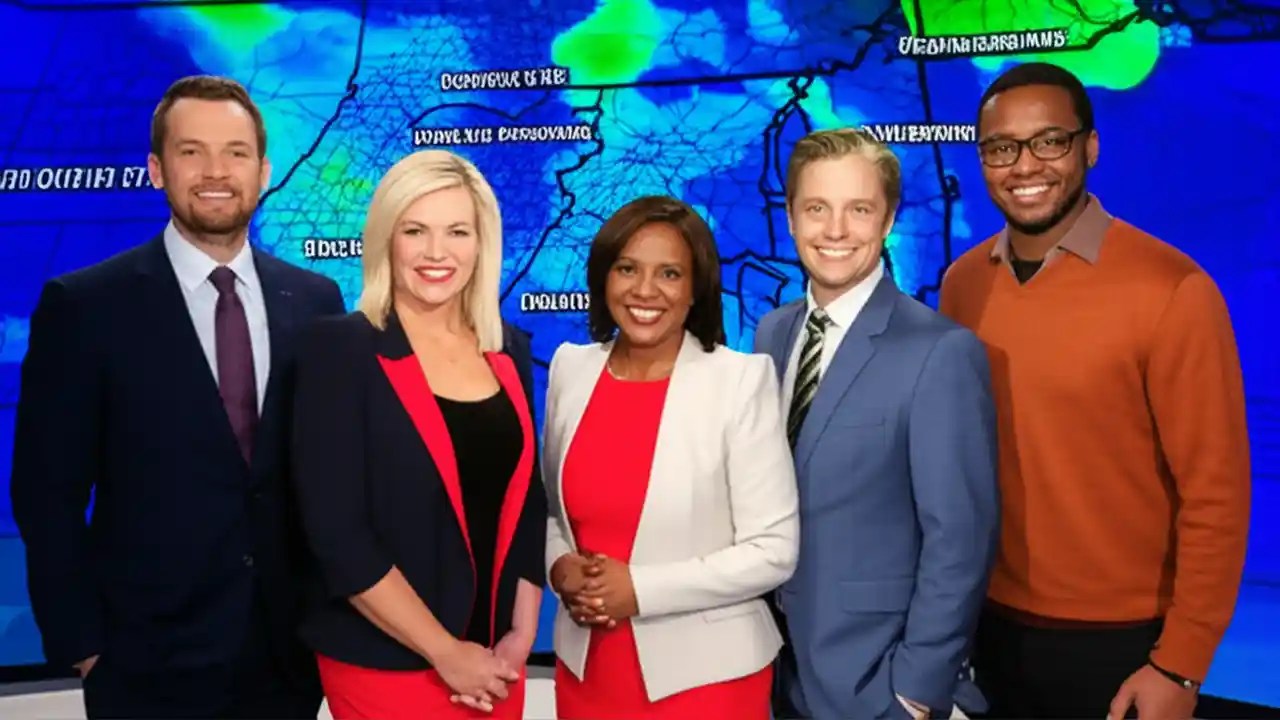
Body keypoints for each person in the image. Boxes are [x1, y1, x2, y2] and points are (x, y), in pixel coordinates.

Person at [9, 75, 344, 718]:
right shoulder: (85, 308)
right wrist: (85, 645)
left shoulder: (315, 301)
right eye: (192, 152)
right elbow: (45, 496)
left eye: (236, 153)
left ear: (265, 170)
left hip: (285, 662)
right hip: (142, 665)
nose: (216, 171)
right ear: (157, 170)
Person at [938, 61, 1251, 720]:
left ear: (1090, 147)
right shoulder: (962, 285)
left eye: (1049, 140)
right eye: (1002, 148)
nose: (1025, 165)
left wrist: (1181, 666)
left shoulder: (1172, 290)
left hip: (1123, 648)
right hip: (987, 632)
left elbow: (1216, 493)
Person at [288, 148, 546, 720]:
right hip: (387, 663)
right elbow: (337, 536)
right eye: (415, 230)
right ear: (387, 240)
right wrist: (445, 652)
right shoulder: (339, 351)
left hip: (495, 663)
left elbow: (527, 502)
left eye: (457, 231)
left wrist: (521, 634)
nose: (436, 253)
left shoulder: (506, 349)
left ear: (482, 244)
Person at [754, 127, 1000, 720]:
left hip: (875, 686)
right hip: (775, 673)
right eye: (817, 208)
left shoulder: (939, 352)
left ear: (887, 221)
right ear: (790, 218)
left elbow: (961, 540)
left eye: (858, 210)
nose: (835, 231)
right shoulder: (773, 334)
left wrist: (915, 692)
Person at [542, 195, 799, 720]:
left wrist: (638, 590)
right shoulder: (572, 370)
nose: (644, 290)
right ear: (603, 277)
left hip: (706, 681)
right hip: (587, 672)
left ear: (694, 288)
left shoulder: (738, 381)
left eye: (669, 273)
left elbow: (774, 549)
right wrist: (559, 568)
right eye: (627, 269)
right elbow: (555, 512)